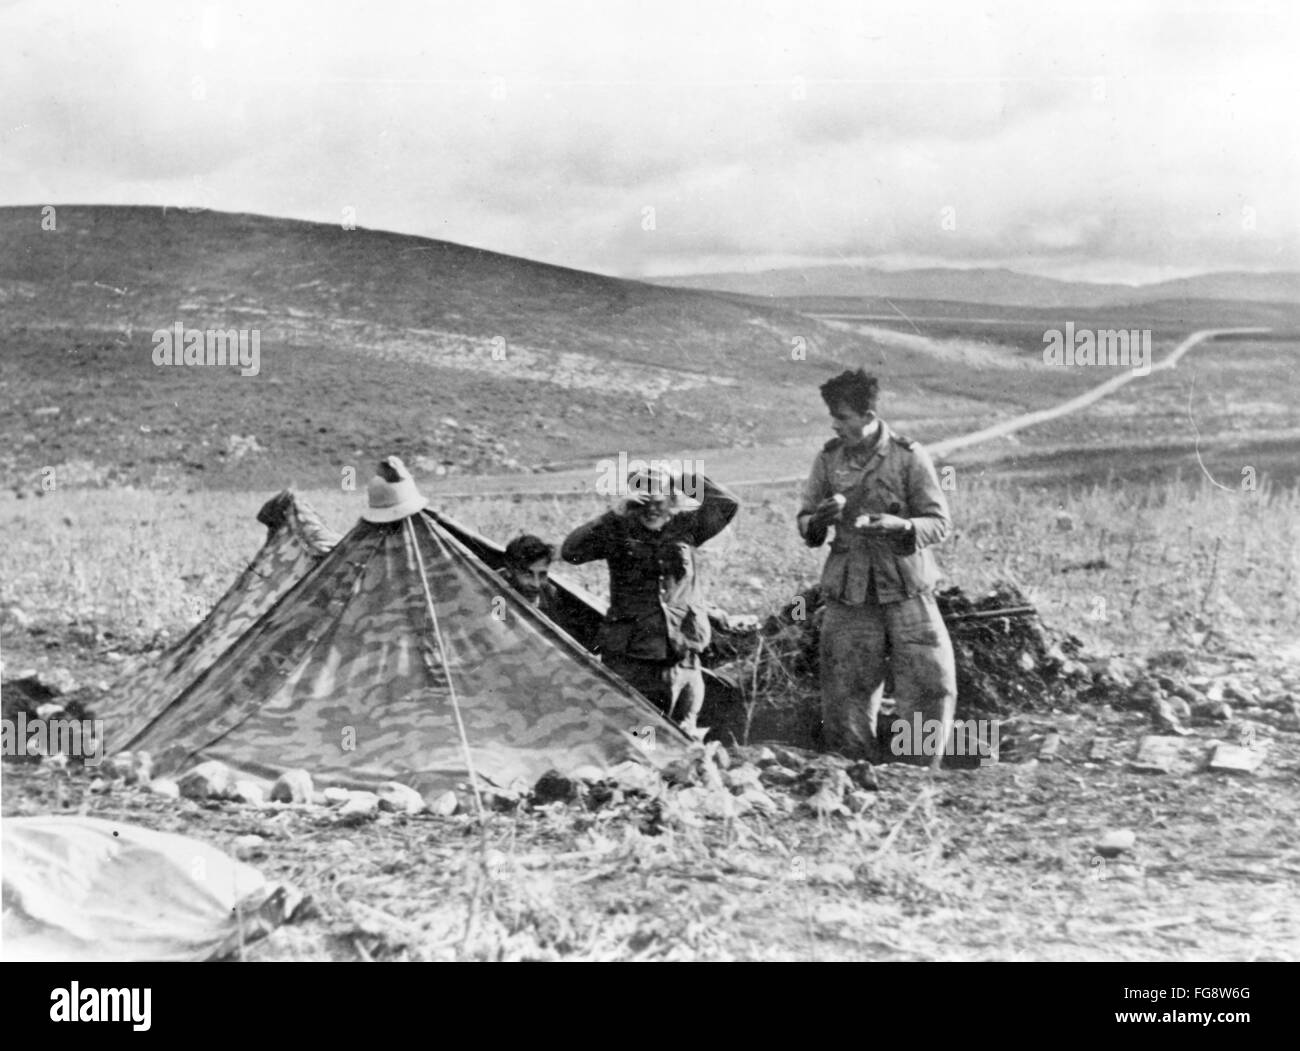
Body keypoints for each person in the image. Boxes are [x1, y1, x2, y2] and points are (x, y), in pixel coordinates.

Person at [797, 369, 956, 767]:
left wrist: (901, 526)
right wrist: (820, 518)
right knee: (845, 685)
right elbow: (805, 523)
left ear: (869, 416)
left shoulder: (908, 457)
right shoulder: (828, 458)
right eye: (833, 416)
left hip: (905, 584)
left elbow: (939, 522)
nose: (836, 424)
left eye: (844, 417)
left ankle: (917, 771)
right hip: (850, 590)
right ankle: (851, 769)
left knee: (927, 680)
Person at [561, 464, 739, 733]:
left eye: (660, 498)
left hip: (683, 658)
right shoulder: (617, 530)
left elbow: (728, 503)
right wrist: (613, 514)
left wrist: (681, 478)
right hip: (634, 662)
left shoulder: (687, 527)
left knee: (684, 735)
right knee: (641, 738)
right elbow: (571, 552)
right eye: (645, 498)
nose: (653, 507)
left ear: (672, 497)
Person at [498, 534, 562, 620]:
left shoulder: (550, 595)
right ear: (509, 571)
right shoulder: (490, 586)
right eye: (528, 574)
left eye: (542, 575)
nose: (536, 584)